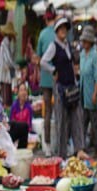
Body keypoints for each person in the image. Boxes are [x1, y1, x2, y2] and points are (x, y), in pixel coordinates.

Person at [41, 17, 79, 157]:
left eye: (65, 28)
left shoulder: (67, 44)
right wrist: (53, 70)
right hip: (60, 88)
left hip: (71, 87)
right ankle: (61, 154)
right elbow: (43, 62)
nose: (63, 31)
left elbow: (70, 63)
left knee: (72, 119)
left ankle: (73, 148)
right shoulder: (54, 45)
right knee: (61, 121)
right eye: (61, 28)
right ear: (56, 31)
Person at [79, 26, 97, 157]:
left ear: (90, 42)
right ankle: (83, 147)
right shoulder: (82, 54)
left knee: (95, 123)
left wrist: (95, 93)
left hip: (92, 93)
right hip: (83, 92)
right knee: (83, 122)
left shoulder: (94, 55)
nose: (83, 43)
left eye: (85, 41)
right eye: (83, 41)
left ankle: (96, 148)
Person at [37, 11, 57, 151]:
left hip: (45, 78)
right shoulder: (58, 33)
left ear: (45, 20)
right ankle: (61, 143)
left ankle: (48, 146)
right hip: (57, 77)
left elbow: (39, 56)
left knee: (47, 112)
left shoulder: (42, 34)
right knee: (59, 111)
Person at [9, 82, 34, 147]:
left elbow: (29, 125)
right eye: (21, 90)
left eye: (24, 90)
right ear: (18, 93)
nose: (23, 92)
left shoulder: (29, 107)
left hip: (25, 134)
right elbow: (12, 123)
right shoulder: (14, 106)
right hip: (15, 133)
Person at [0, 25, 17, 108]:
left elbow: (11, 56)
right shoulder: (4, 44)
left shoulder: (7, 43)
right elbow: (8, 59)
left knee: (8, 95)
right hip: (5, 74)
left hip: (7, 73)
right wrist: (15, 66)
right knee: (6, 99)